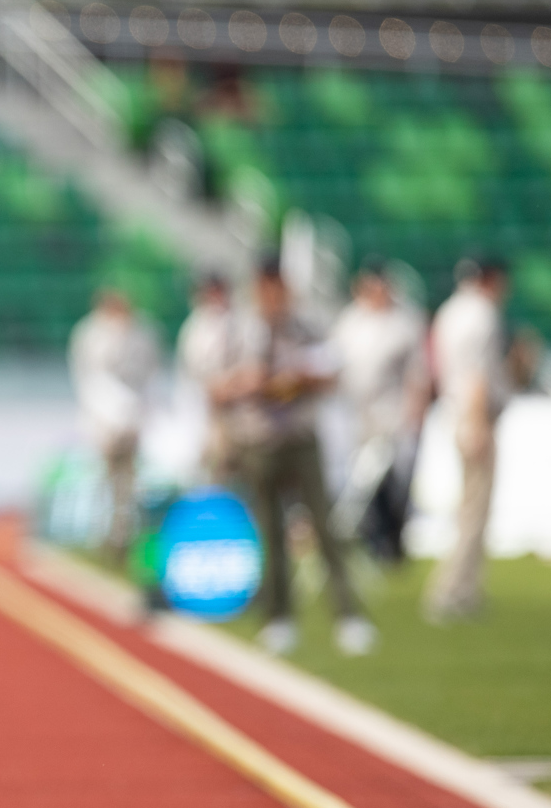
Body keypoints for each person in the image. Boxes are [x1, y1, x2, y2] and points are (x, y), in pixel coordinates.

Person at [218, 257, 373, 656]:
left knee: (324, 526)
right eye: (266, 286)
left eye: (278, 286)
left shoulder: (307, 325)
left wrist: (300, 380)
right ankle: (278, 617)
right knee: (271, 531)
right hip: (258, 438)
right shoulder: (236, 329)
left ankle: (348, 616)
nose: (273, 295)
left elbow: (333, 374)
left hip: (300, 435)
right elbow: (216, 387)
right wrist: (247, 384)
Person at [423, 258, 509, 623]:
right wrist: (478, 423)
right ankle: (453, 589)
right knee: (474, 509)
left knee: (469, 507)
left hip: (455, 411)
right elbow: (477, 375)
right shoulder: (481, 314)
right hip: (473, 416)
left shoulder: (450, 311)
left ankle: (463, 588)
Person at [330, 259, 427, 564]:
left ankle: (393, 541)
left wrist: (414, 413)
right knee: (364, 481)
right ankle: (372, 539)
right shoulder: (349, 322)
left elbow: (417, 374)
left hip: (393, 411)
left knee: (395, 480)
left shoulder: (404, 322)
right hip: (358, 414)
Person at [68, 288, 159, 559]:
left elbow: (148, 374)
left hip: (131, 418)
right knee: (101, 477)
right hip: (102, 421)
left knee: (129, 480)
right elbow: (88, 380)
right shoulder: (90, 334)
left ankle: (124, 534)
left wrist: (138, 412)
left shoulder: (140, 332)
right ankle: (101, 534)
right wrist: (103, 416)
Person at [177, 272, 239, 481]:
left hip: (242, 411)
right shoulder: (196, 330)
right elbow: (195, 378)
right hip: (210, 413)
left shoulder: (238, 320)